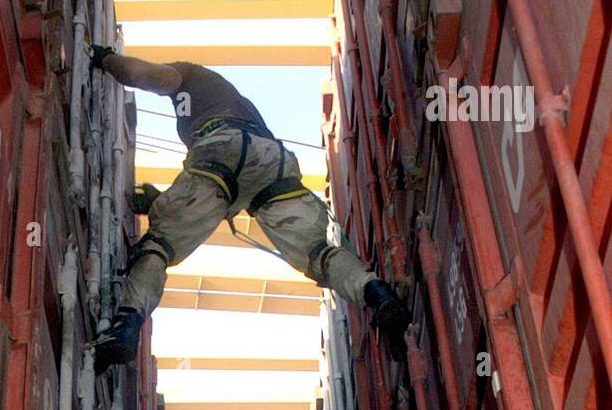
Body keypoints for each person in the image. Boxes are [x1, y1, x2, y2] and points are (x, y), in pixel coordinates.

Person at [88, 48, 409, 372]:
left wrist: (105, 59)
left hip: (219, 148)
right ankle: (376, 293)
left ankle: (124, 328)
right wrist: (163, 200)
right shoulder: (236, 99)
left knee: (159, 246)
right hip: (271, 160)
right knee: (319, 253)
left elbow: (147, 75)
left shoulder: (189, 75)